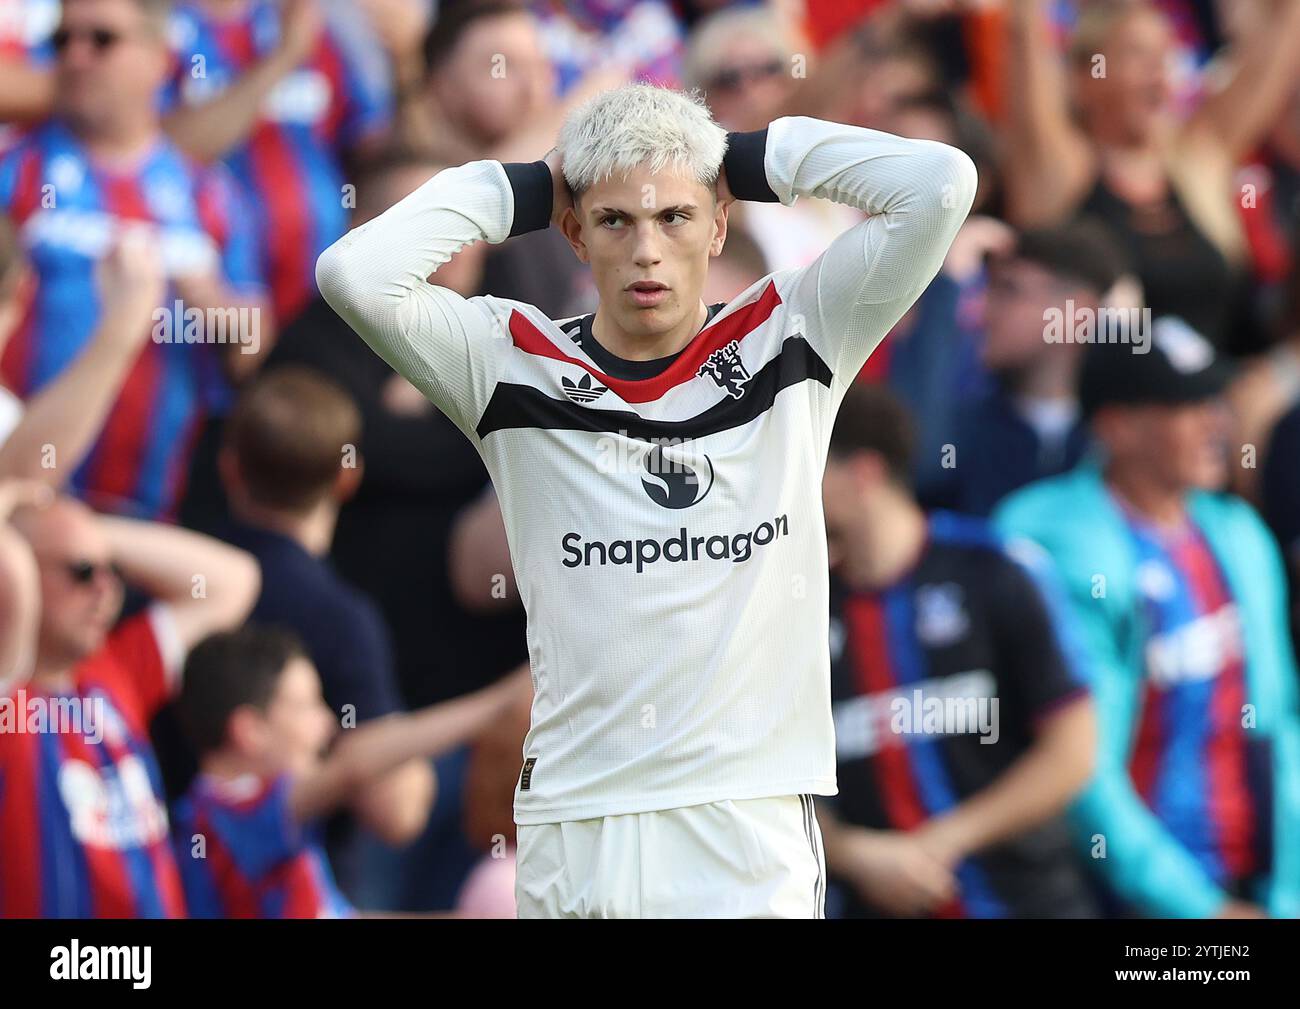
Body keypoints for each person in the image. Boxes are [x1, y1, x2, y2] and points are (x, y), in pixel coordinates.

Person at [316, 82, 977, 918]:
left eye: (675, 217)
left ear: (720, 225)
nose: (648, 250)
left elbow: (942, 183)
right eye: (615, 220)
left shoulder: (798, 330)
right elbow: (351, 272)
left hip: (746, 822)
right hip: (577, 822)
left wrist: (745, 155)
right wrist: (525, 185)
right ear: (574, 233)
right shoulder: (508, 361)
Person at [995, 317, 1300, 918]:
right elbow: (1080, 767)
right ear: (1118, 426)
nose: (1218, 423)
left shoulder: (1238, 534)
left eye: (1215, 400)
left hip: (1253, 891)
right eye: (1188, 407)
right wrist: (1197, 910)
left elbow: (1281, 725)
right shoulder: (1051, 541)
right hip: (1114, 898)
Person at [817, 384, 1096, 918]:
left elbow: (1074, 749)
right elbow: (771, 786)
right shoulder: (797, 612)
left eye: (809, 466)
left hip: (1030, 900)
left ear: (863, 474)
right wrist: (854, 855)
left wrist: (944, 841)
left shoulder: (997, 569)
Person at [0, 0, 270, 521]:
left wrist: (221, 309)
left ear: (158, 58)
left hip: (160, 507)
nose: (75, 57)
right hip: (21, 498)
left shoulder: (209, 192)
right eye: (62, 41)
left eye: (101, 40)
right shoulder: (14, 172)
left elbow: (255, 350)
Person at [0, 494, 260, 916]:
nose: (105, 589)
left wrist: (89, 531)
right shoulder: (10, 704)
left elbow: (233, 581)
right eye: (82, 571)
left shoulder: (112, 673)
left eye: (113, 572)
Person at [171, 624, 526, 917]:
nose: (327, 723)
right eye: (307, 705)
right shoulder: (221, 816)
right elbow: (352, 769)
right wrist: (499, 704)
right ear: (250, 731)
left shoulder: (262, 817)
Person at [163, 0, 393, 325]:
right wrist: (284, 57)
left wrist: (406, 60)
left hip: (321, 287)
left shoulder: (316, 21)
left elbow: (372, 145)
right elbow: (167, 150)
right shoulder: (159, 26)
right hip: (215, 294)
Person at [942, 218, 1130, 515]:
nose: (977, 312)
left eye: (1008, 291)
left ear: (1077, 314)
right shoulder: (955, 434)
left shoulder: (1122, 445)